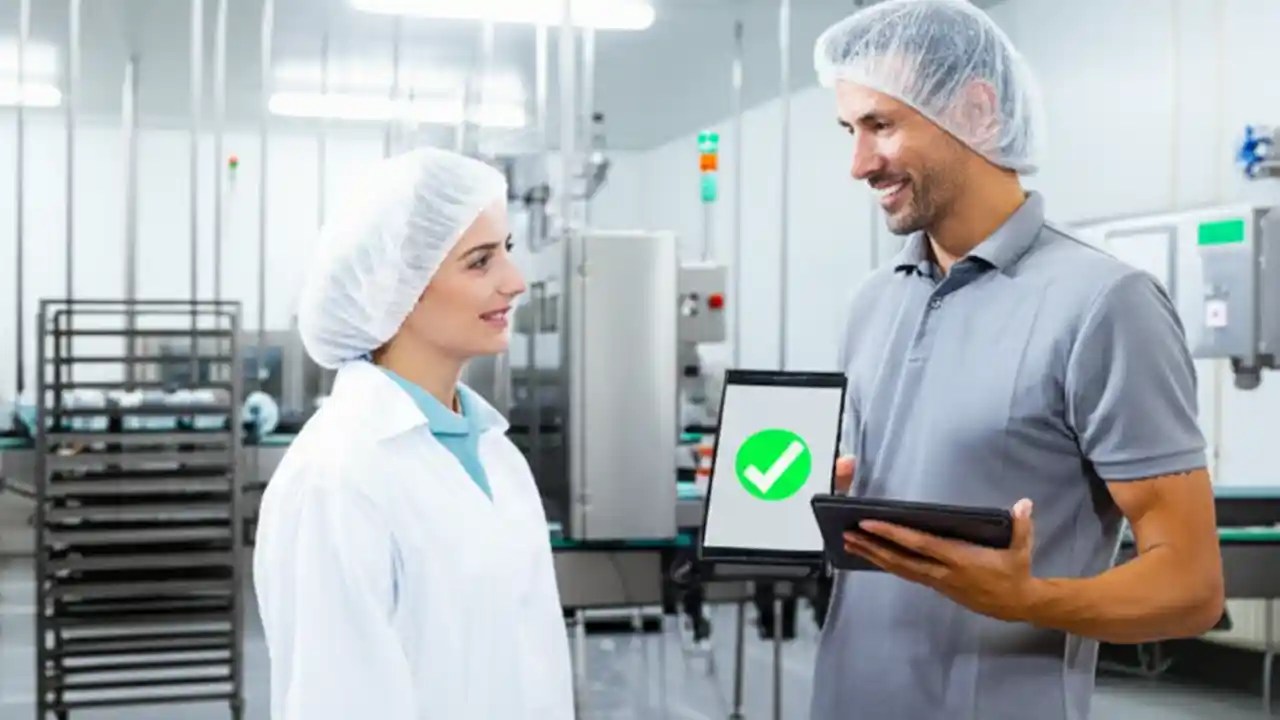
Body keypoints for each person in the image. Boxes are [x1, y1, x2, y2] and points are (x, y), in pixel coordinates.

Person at [808, 1, 1224, 718]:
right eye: (850, 130)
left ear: (976, 109)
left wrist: (1028, 599)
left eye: (882, 124)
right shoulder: (871, 303)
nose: (858, 163)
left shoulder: (1105, 303)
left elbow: (1191, 587)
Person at [253, 147, 574, 719]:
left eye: (506, 251)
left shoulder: (495, 455)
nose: (516, 282)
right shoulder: (340, 476)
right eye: (479, 262)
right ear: (396, 287)